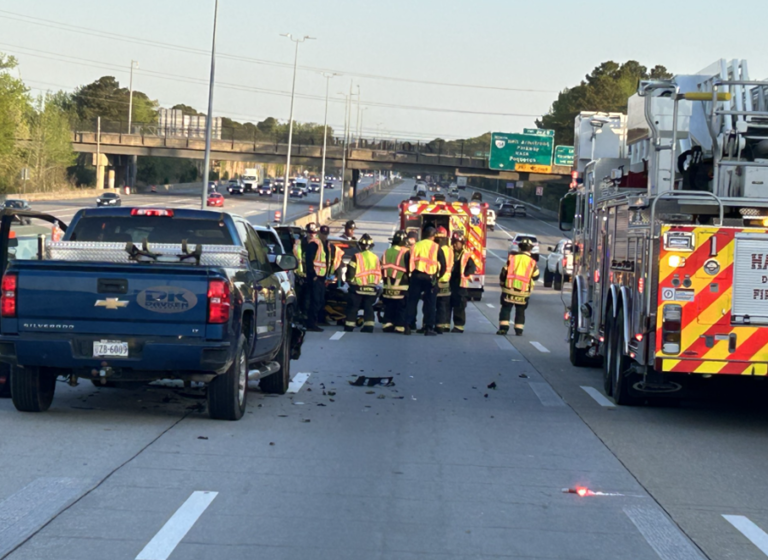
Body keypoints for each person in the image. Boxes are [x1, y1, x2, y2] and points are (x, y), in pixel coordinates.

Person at [406, 226, 446, 336]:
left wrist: (410, 275)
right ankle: (428, 328)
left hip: (416, 276)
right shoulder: (436, 247)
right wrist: (437, 277)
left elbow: (407, 260)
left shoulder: (415, 246)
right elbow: (443, 264)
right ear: (433, 236)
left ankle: (408, 326)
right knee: (430, 303)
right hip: (430, 278)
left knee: (412, 302)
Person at [498, 239, 539, 336]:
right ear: (530, 250)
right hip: (523, 292)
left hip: (508, 289)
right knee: (520, 311)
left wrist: (502, 283)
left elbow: (503, 272)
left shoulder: (512, 258)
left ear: (519, 247)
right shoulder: (532, 262)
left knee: (506, 309)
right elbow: (536, 276)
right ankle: (518, 330)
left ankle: (503, 329)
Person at [344, 233, 380, 333]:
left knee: (353, 307)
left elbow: (351, 271)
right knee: (368, 307)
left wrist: (349, 281)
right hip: (372, 288)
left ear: (360, 245)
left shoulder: (357, 257)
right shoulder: (375, 257)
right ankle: (369, 326)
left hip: (358, 287)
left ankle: (349, 326)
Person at [381, 230, 411, 333]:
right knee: (401, 307)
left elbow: (382, 267)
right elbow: (409, 269)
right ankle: (399, 326)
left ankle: (387, 324)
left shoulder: (386, 252)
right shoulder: (406, 252)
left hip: (388, 285)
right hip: (402, 285)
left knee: (389, 306)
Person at [446, 231, 476, 333]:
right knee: (446, 304)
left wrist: (465, 274)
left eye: (457, 242)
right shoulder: (448, 252)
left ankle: (458, 326)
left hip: (460, 284)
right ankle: (445, 325)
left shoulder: (466, 254)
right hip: (448, 282)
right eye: (454, 242)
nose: (455, 244)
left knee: (459, 305)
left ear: (462, 243)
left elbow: (472, 267)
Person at [304, 222, 328, 332]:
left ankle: (314, 322)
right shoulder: (314, 244)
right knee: (314, 300)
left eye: (314, 232)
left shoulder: (320, 244)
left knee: (318, 300)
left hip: (320, 277)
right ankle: (311, 323)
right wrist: (313, 275)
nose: (312, 235)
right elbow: (309, 261)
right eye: (310, 232)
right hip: (315, 277)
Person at [434, 226, 455, 333]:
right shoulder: (449, 250)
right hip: (446, 280)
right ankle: (441, 325)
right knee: (443, 305)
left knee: (432, 304)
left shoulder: (435, 248)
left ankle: (428, 324)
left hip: (435, 279)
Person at [292, 230, 308, 323]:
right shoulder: (298, 246)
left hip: (300, 275)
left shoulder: (300, 246)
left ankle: (300, 315)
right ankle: (299, 314)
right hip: (297, 275)